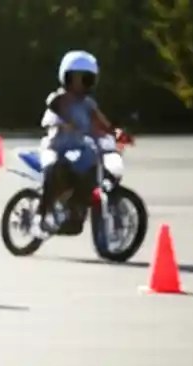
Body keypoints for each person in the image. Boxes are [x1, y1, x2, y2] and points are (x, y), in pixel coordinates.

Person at [36, 50, 117, 234]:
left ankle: (75, 214)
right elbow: (54, 104)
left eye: (85, 79)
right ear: (66, 78)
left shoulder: (88, 104)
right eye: (75, 78)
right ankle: (43, 212)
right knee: (55, 168)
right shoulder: (60, 98)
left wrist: (116, 133)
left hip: (77, 150)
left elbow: (101, 122)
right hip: (55, 148)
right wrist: (67, 122)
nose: (79, 84)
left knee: (90, 173)